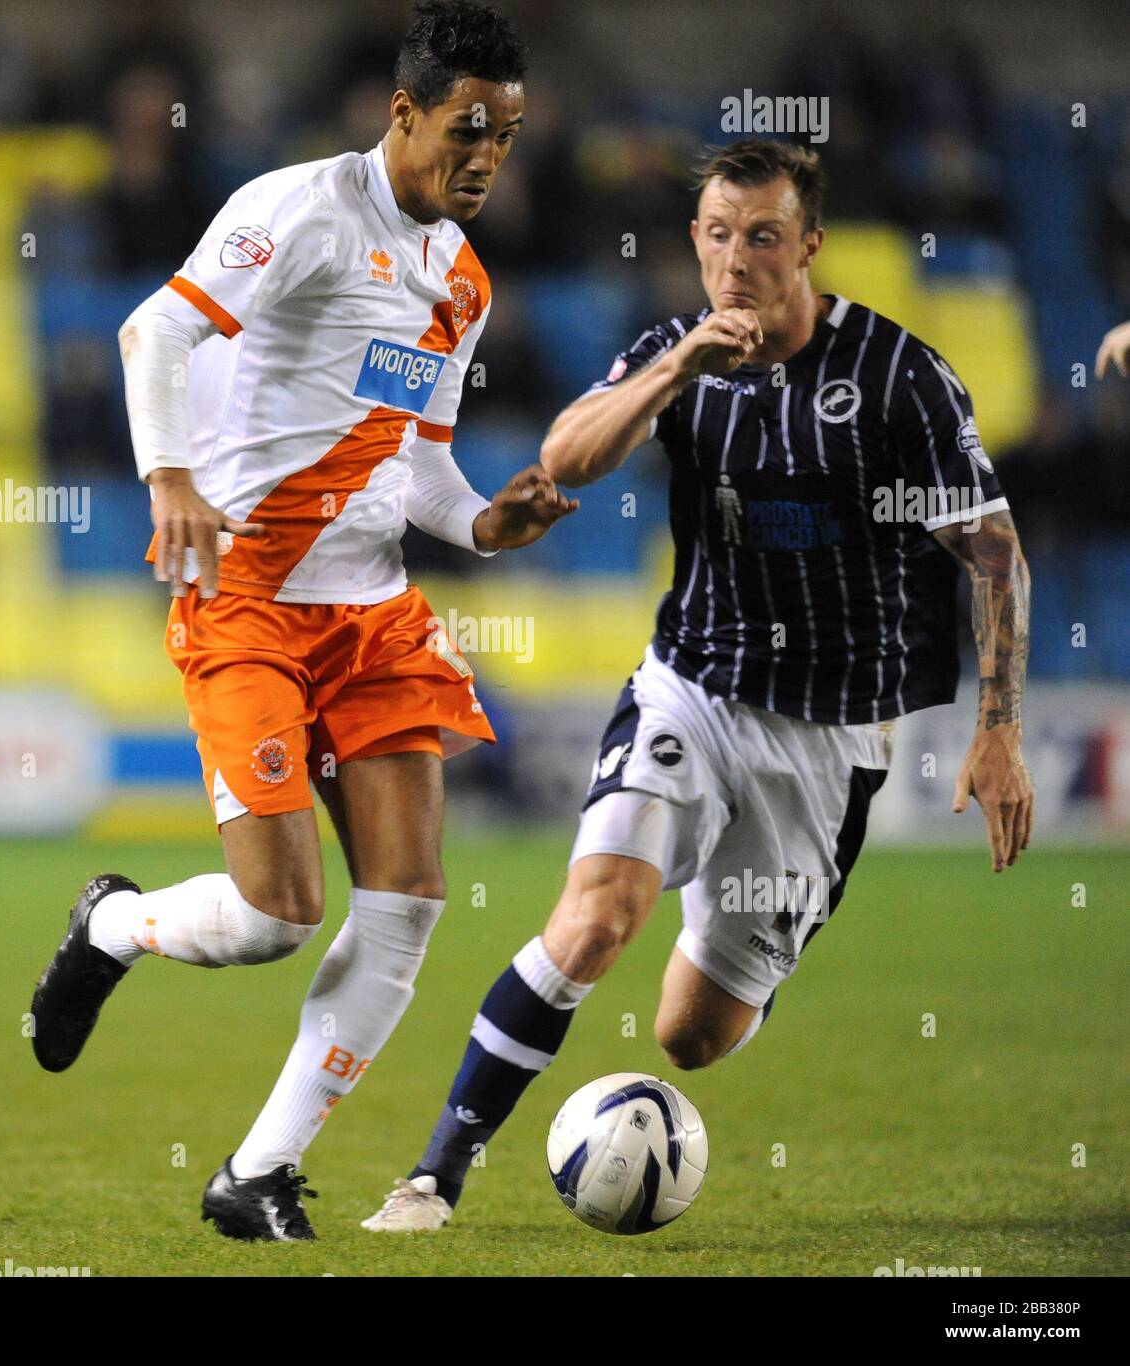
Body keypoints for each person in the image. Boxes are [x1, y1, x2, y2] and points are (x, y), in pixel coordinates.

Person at [363, 138, 1034, 1233]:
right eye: (717, 236)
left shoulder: (898, 377)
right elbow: (564, 458)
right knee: (593, 920)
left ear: (808, 246)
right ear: (694, 241)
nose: (736, 261)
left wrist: (998, 727)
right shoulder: (675, 353)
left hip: (824, 741)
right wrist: (674, 372)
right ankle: (433, 1174)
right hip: (692, 689)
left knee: (692, 1037)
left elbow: (994, 553)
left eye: (762, 238)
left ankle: (730, 951)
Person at [29, 0, 576, 1244]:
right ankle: (112, 924)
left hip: (373, 610)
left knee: (410, 898)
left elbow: (418, 464)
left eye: (509, 134)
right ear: (403, 113)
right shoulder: (300, 212)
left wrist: (486, 523)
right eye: (467, 129)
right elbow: (152, 328)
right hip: (248, 600)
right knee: (278, 917)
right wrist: (169, 477)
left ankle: (255, 1175)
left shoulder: (464, 282)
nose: (488, 155)